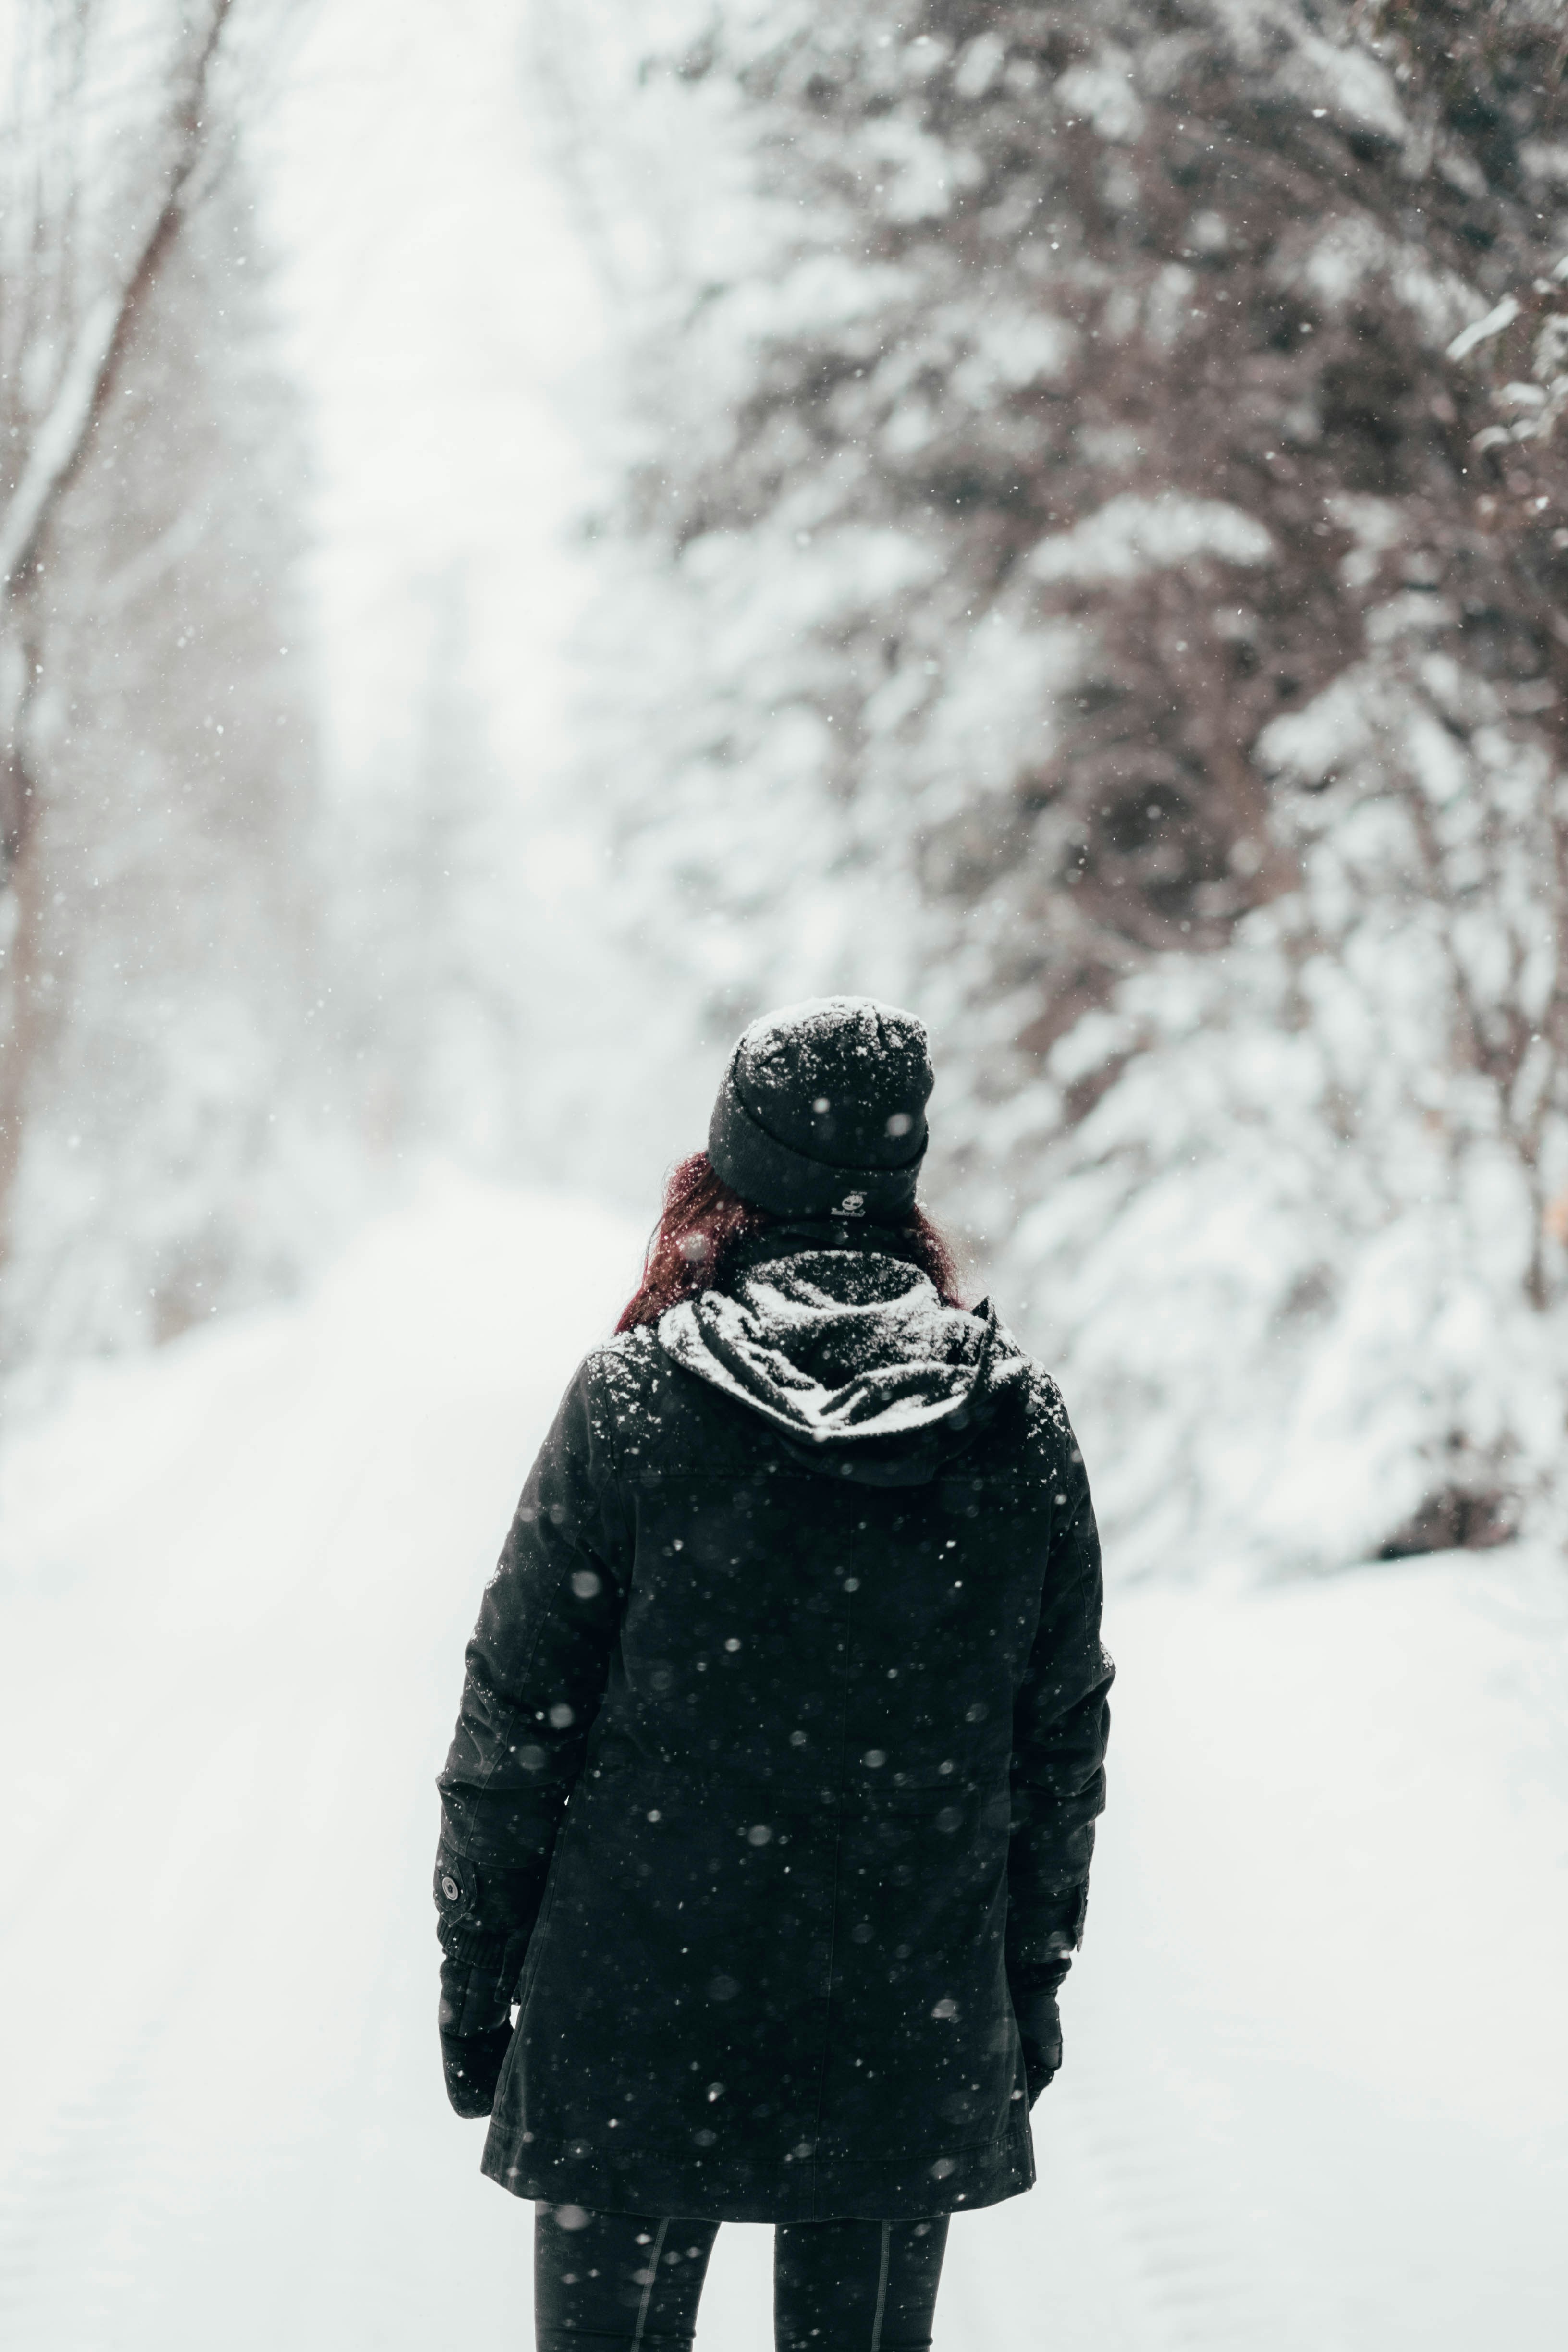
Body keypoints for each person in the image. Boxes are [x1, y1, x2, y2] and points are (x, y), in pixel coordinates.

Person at [433, 996, 1113, 2352]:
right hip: (898, 2013)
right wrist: (1024, 1987)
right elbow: (1060, 1749)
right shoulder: (1011, 1423)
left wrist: (477, 1987)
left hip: (631, 2017)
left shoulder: (633, 1406)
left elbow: (514, 1730)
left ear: (727, 1173)